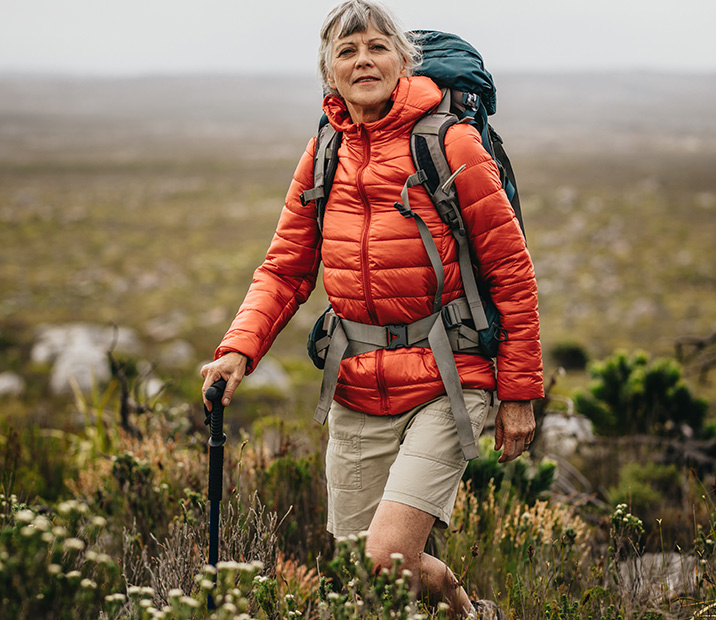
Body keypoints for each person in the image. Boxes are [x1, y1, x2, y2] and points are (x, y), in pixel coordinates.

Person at [201, 1, 543, 616]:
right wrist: (237, 351)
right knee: (365, 576)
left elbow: (511, 272)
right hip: (357, 385)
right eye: (347, 51)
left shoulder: (451, 142)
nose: (364, 61)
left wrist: (518, 392)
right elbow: (285, 269)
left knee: (387, 559)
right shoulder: (325, 151)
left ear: (403, 60)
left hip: (448, 377)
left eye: (378, 47)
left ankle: (472, 614)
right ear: (328, 72)